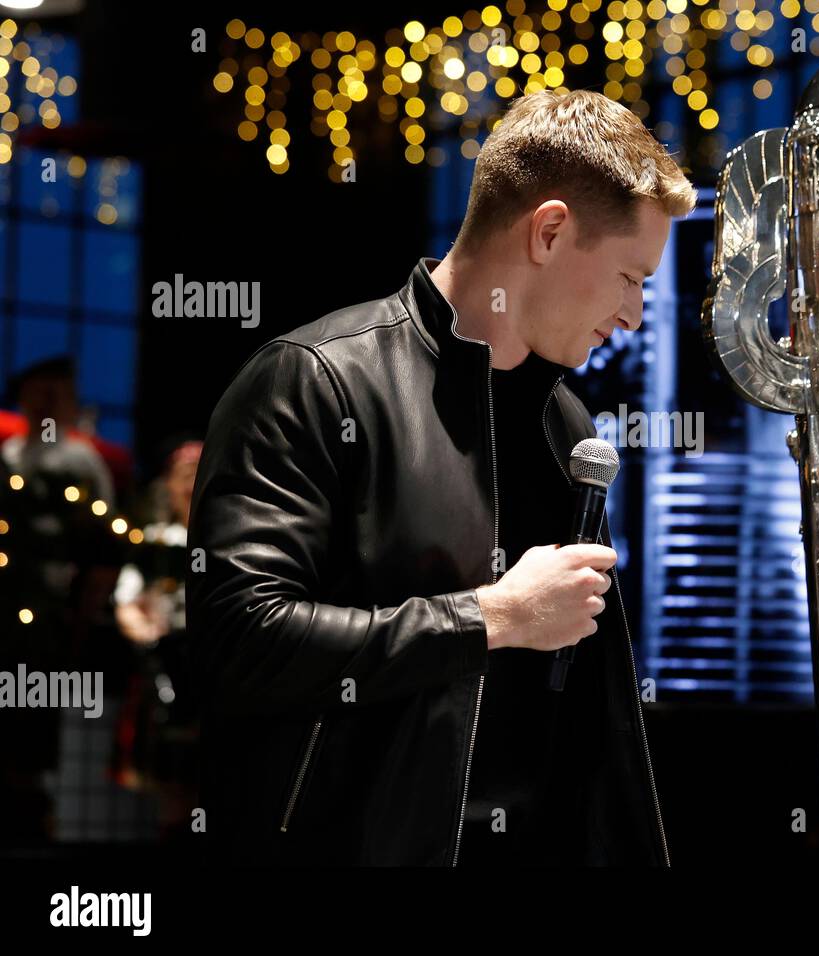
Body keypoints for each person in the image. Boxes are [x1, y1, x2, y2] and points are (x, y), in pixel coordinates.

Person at [187, 89, 696, 866]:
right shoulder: (317, 380)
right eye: (630, 276)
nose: (632, 313)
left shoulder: (566, 424)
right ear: (551, 231)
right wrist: (491, 617)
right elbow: (240, 638)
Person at [110, 439, 203, 847]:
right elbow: (126, 601)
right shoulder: (153, 542)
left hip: (214, 669)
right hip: (165, 665)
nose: (189, 485)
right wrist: (144, 631)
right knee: (169, 771)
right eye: (182, 476)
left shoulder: (229, 541)